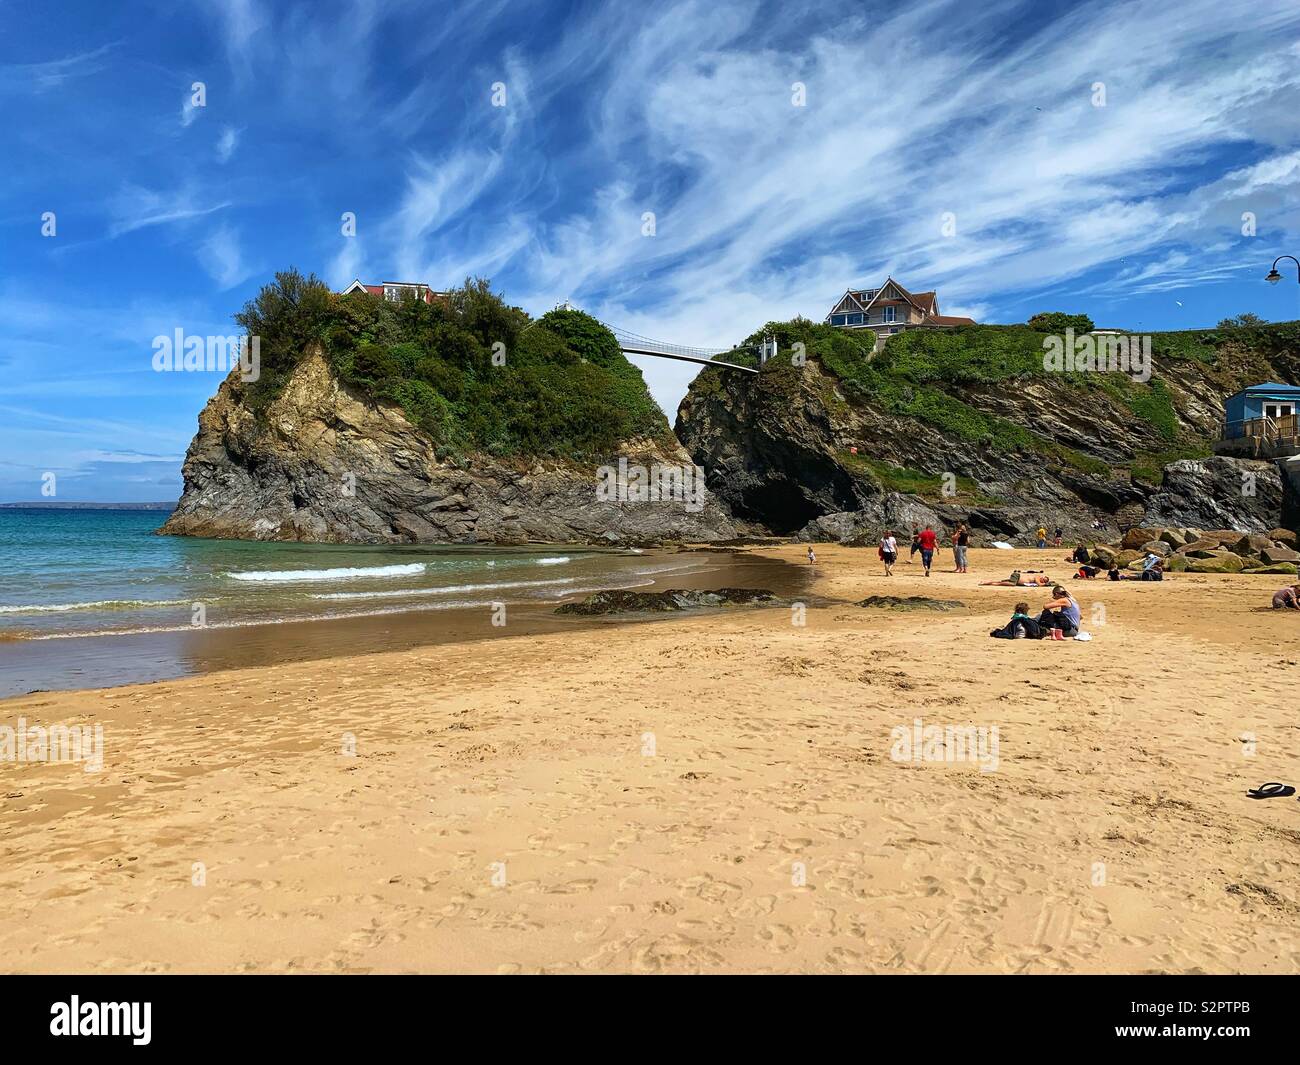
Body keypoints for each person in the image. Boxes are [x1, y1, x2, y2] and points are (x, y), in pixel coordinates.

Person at [981, 571, 1052, 587]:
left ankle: (988, 582)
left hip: (1017, 578)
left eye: (1044, 580)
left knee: (1001, 581)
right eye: (1043, 579)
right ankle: (992, 583)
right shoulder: (1038, 577)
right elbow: (1039, 584)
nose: (1042, 580)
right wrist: (1045, 584)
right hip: (1017, 577)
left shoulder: (1038, 578)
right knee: (1012, 584)